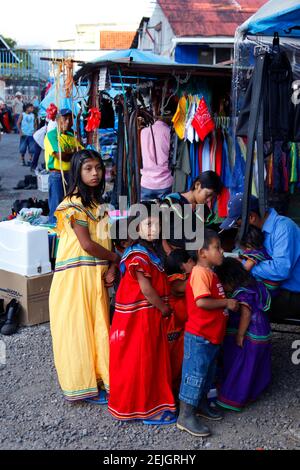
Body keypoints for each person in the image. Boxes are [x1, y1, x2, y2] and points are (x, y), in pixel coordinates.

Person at [49, 149, 119, 403]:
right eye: (88, 168)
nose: (95, 173)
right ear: (77, 172)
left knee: (99, 328)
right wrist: (115, 260)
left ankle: (101, 379)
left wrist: (111, 267)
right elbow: (87, 244)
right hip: (75, 279)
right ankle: (82, 385)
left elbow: (106, 242)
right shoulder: (74, 205)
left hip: (94, 277)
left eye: (98, 168)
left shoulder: (99, 206)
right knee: (78, 331)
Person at [108, 201, 177, 425]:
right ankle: (146, 410)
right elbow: (147, 290)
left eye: (156, 223)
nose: (152, 228)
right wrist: (164, 307)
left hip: (145, 316)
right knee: (141, 360)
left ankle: (143, 404)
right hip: (137, 319)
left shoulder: (149, 251)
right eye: (147, 223)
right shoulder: (139, 255)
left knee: (145, 359)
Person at [177, 229, 239, 438]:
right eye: (217, 248)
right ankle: (185, 416)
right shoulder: (200, 273)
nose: (222, 251)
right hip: (199, 336)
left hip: (211, 336)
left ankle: (201, 404)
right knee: (194, 375)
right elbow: (201, 302)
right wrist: (227, 302)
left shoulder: (210, 273)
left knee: (207, 374)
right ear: (202, 252)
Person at [220, 193, 300, 322]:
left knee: (240, 301)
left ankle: (244, 341)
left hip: (291, 293)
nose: (239, 229)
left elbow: (281, 270)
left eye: (239, 225)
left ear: (251, 217)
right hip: (274, 289)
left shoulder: (284, 228)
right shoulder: (258, 231)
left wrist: (246, 266)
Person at [215, 257, 272, 411]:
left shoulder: (242, 292)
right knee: (254, 365)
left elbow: (246, 314)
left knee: (243, 365)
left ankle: (234, 397)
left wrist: (240, 335)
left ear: (229, 279)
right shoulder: (253, 283)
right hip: (263, 330)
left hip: (251, 332)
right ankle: (253, 391)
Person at [160, 171, 223, 256]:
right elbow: (160, 230)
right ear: (197, 185)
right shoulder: (172, 201)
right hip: (173, 256)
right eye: (208, 195)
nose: (209, 200)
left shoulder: (204, 210)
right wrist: (170, 253)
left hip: (193, 257)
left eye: (212, 197)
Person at [44, 108, 83, 224]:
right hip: (57, 175)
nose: (68, 122)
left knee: (70, 205)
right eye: (65, 118)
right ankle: (54, 233)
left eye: (70, 119)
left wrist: (74, 153)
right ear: (57, 120)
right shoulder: (51, 135)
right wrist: (75, 153)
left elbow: (82, 153)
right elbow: (61, 156)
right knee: (57, 207)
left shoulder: (72, 136)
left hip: (71, 174)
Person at [165, 249, 195, 394]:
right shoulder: (175, 280)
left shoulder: (185, 277)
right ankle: (170, 390)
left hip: (182, 324)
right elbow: (185, 288)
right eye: (191, 261)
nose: (194, 264)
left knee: (181, 357)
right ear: (184, 265)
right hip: (173, 325)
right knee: (174, 358)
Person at [238, 225, 280, 293]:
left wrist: (239, 263)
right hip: (273, 283)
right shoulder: (263, 249)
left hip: (267, 285)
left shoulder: (254, 253)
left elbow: (246, 268)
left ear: (248, 245)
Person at [140, 117, 173, 200]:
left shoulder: (143, 132)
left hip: (146, 182)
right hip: (165, 182)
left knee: (147, 212)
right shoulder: (169, 132)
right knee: (165, 212)